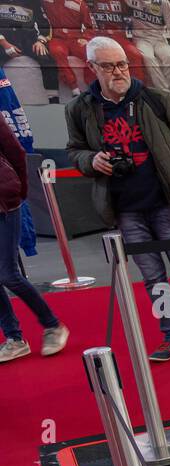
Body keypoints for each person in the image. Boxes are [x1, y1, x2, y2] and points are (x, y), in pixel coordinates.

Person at [66, 34, 170, 360]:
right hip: (125, 210)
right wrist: (90, 161)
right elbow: (75, 151)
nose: (119, 71)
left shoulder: (157, 100)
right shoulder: (80, 109)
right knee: (153, 280)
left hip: (168, 203)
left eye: (123, 64)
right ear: (92, 68)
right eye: (109, 66)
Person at [0, 116, 68, 363]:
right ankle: (14, 338)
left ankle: (53, 326)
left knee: (8, 275)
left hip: (5, 203)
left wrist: (19, 191)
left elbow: (16, 152)